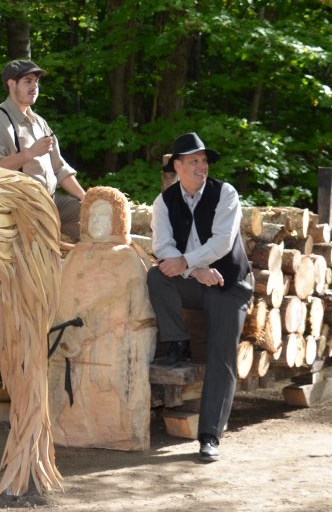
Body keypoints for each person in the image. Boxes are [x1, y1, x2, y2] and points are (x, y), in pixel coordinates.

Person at [147, 132, 253, 462]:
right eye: (194, 161)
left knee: (222, 354)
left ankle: (209, 436)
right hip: (196, 281)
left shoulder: (226, 194)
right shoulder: (164, 202)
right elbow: (162, 247)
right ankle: (177, 342)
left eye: (204, 160)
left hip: (228, 284)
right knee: (156, 276)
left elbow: (222, 242)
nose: (201, 166)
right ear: (177, 166)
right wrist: (195, 271)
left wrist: (188, 263)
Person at [48, 186, 156, 451]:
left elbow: (128, 306)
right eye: (93, 216)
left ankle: (117, 436)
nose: (97, 223)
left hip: (112, 341)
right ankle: (68, 431)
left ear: (118, 221)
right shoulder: (75, 254)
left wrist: (83, 332)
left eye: (104, 217)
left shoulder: (127, 257)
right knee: (70, 386)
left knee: (106, 387)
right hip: (70, 341)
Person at [0, 59, 85, 242]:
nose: (34, 87)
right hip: (20, 208)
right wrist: (29, 154)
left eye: (36, 82)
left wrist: (86, 198)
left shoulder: (40, 122)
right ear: (11, 84)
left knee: (93, 217)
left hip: (50, 201)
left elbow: (60, 169)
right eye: (28, 81)